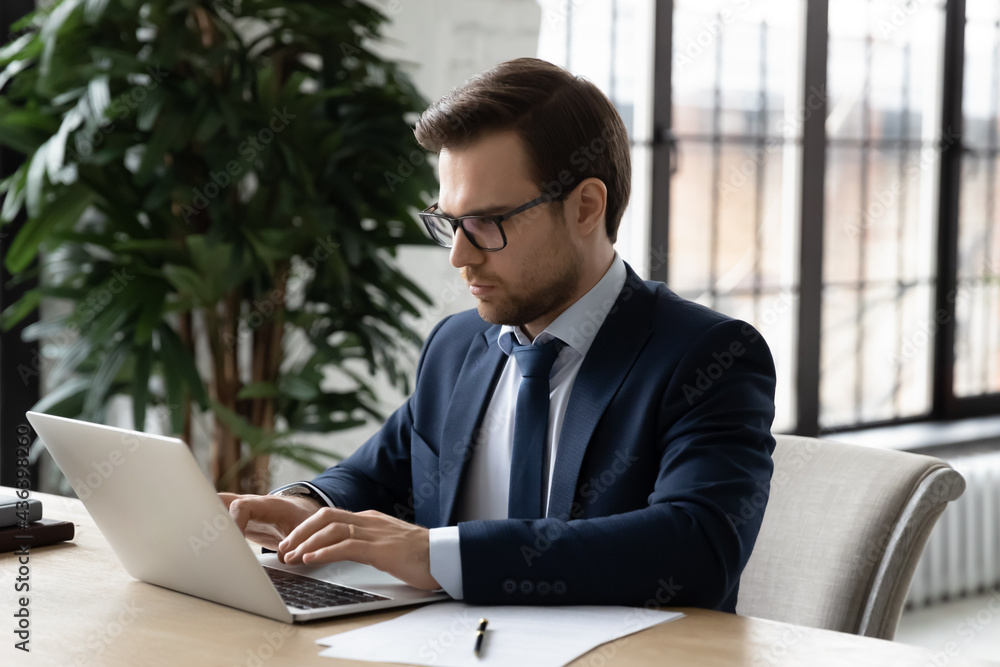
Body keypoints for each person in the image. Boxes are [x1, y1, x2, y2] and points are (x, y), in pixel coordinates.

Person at [222, 57, 776, 611]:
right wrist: (303, 505)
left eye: (489, 222)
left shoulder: (710, 356)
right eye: (450, 223)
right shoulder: (456, 346)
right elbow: (375, 477)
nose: (460, 256)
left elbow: (698, 548)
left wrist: (438, 553)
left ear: (586, 207)